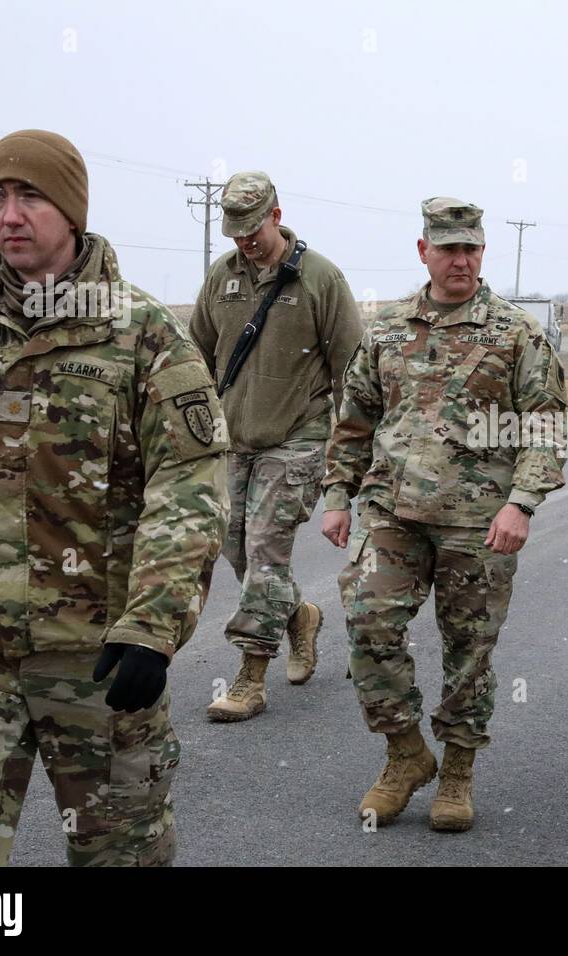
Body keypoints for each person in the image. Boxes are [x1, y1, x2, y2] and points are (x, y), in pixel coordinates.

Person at [0, 129, 228, 866]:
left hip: (98, 655)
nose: (9, 215)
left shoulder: (144, 337)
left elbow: (191, 485)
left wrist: (152, 625)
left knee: (121, 852)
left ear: (72, 210)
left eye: (30, 196)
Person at [320, 197, 565, 832]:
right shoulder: (387, 329)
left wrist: (522, 503)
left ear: (483, 253)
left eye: (471, 249)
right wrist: (338, 495)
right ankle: (405, 753)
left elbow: (544, 428)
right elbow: (354, 420)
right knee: (368, 627)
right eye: (449, 248)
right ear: (424, 251)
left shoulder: (516, 335)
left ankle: (457, 768)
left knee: (469, 651)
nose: (461, 259)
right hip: (392, 512)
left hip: (479, 520)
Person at [190, 170, 362, 721]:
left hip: (298, 439)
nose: (245, 240)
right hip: (233, 443)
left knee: (265, 551)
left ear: (277, 216)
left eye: (253, 228)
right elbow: (194, 356)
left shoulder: (319, 278)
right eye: (235, 231)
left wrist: (348, 458)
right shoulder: (222, 277)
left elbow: (352, 373)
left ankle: (249, 676)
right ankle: (299, 617)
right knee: (237, 551)